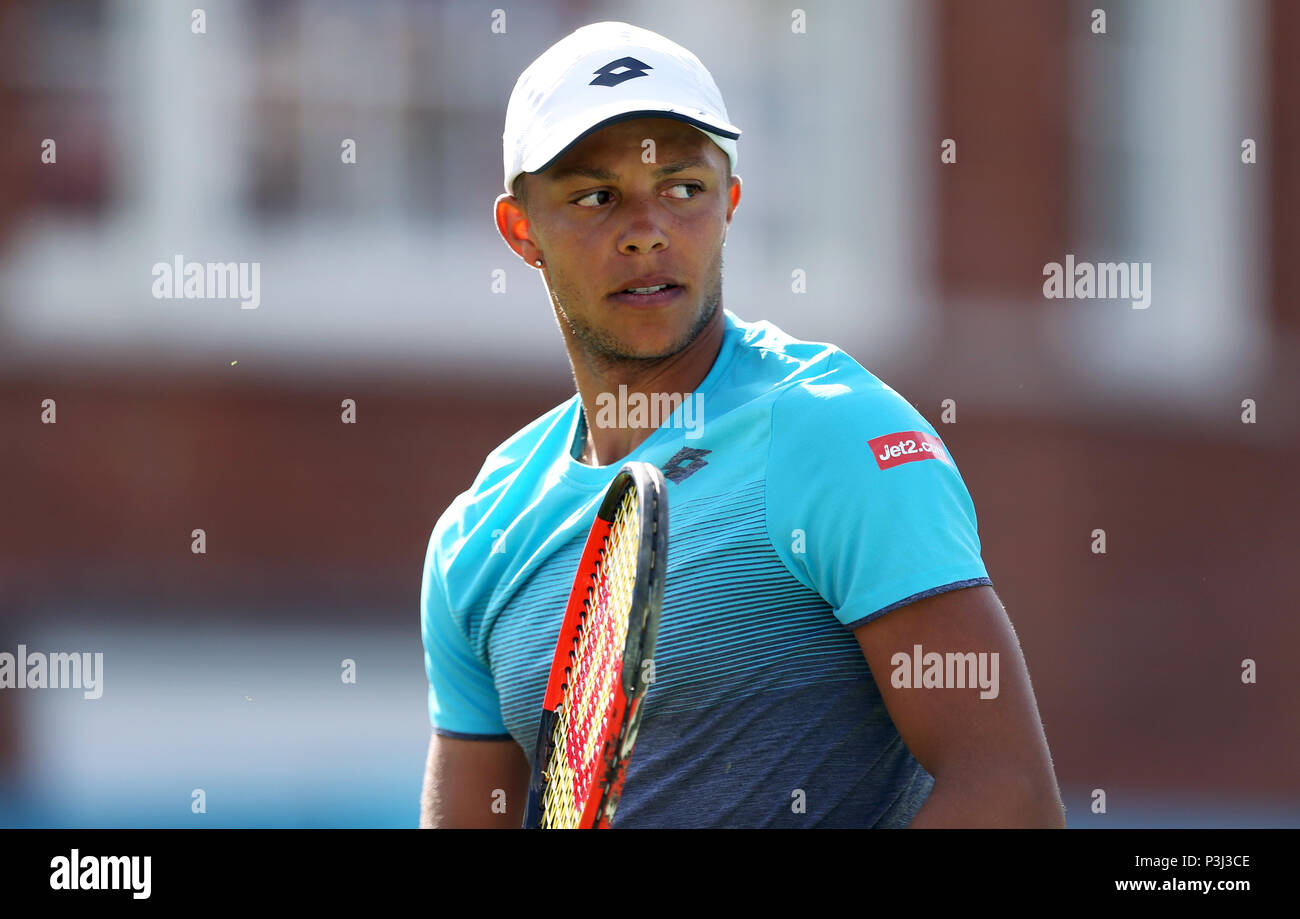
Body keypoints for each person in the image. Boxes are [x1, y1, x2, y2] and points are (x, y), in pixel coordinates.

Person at [419, 21, 1065, 828]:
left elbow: (1012, 799)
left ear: (728, 205)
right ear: (522, 232)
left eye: (683, 189)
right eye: (596, 197)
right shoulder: (478, 538)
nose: (647, 230)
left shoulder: (838, 435)